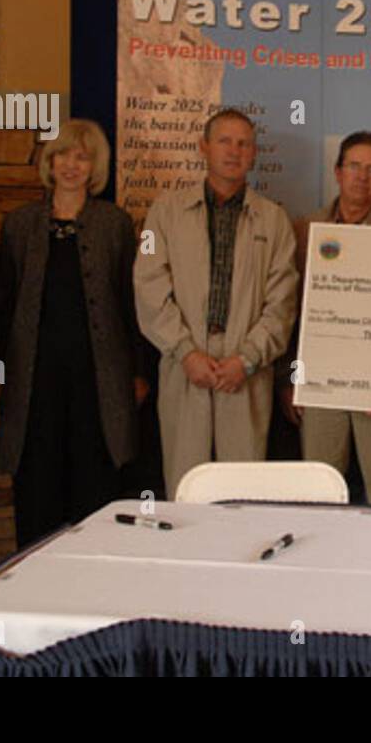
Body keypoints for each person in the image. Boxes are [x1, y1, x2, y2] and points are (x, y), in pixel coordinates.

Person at [0, 119, 148, 547]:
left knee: (94, 480)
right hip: (35, 379)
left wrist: (137, 373)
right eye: (63, 154)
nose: (71, 165)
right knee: (37, 480)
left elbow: (129, 304)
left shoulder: (114, 223)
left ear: (95, 166)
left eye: (82, 156)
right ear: (49, 161)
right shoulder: (21, 224)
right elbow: (3, 305)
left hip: (98, 380)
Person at [134, 107, 298, 497]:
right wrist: (185, 351)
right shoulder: (165, 213)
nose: (234, 151)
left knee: (242, 493)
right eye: (224, 140)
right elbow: (148, 284)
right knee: (186, 487)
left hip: (245, 367)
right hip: (184, 362)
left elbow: (283, 304)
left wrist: (247, 358)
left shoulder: (274, 220)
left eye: (244, 143)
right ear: (203, 147)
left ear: (255, 154)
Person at [278, 132, 371, 506]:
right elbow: (288, 309)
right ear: (337, 171)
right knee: (320, 489)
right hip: (321, 382)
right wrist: (291, 377)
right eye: (354, 166)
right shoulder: (304, 229)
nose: (362, 176)